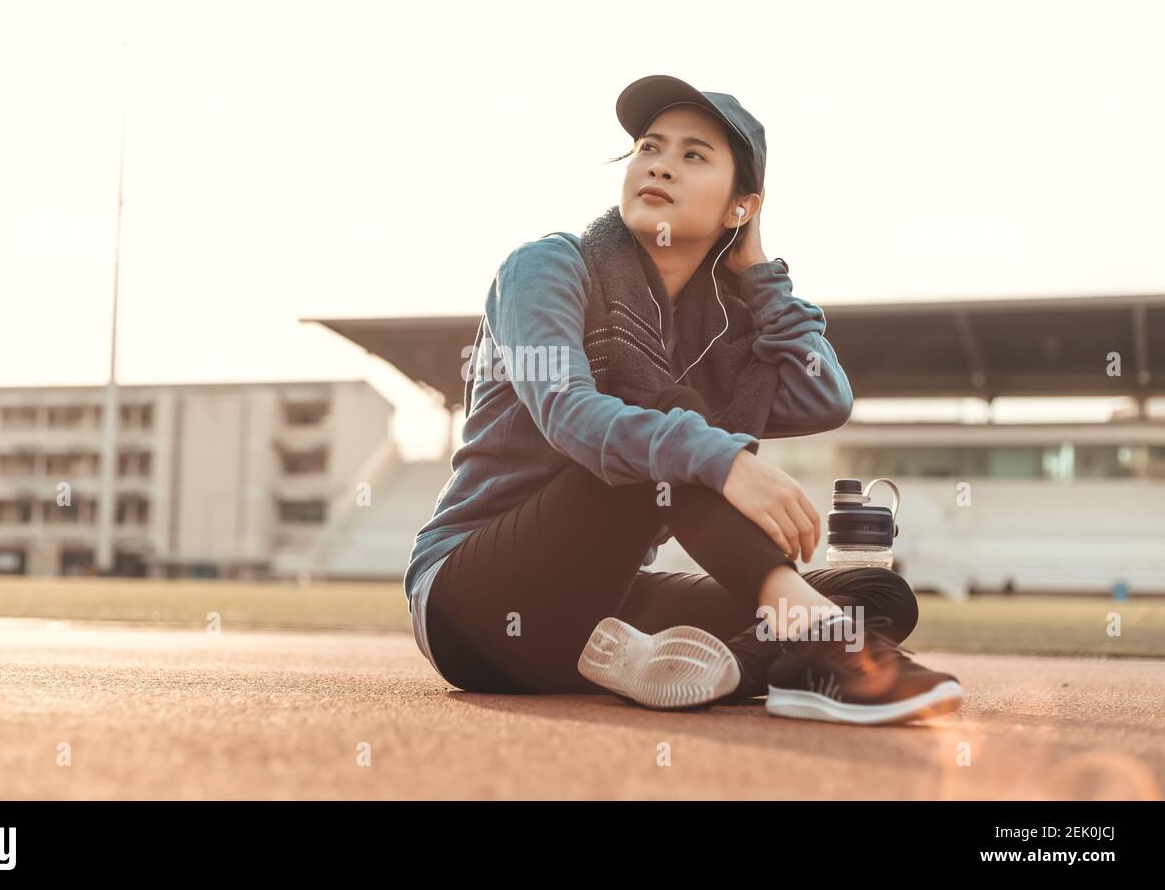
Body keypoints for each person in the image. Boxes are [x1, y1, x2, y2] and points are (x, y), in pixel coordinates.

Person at [404, 74, 963, 725]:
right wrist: (722, 459)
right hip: (472, 608)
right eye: (649, 147)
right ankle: (818, 641)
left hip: (595, 618)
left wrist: (758, 273)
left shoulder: (722, 331)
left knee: (872, 592)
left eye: (693, 155)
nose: (661, 164)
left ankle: (743, 667)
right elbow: (571, 417)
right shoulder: (545, 269)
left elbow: (824, 396)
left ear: (739, 207)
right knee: (672, 427)